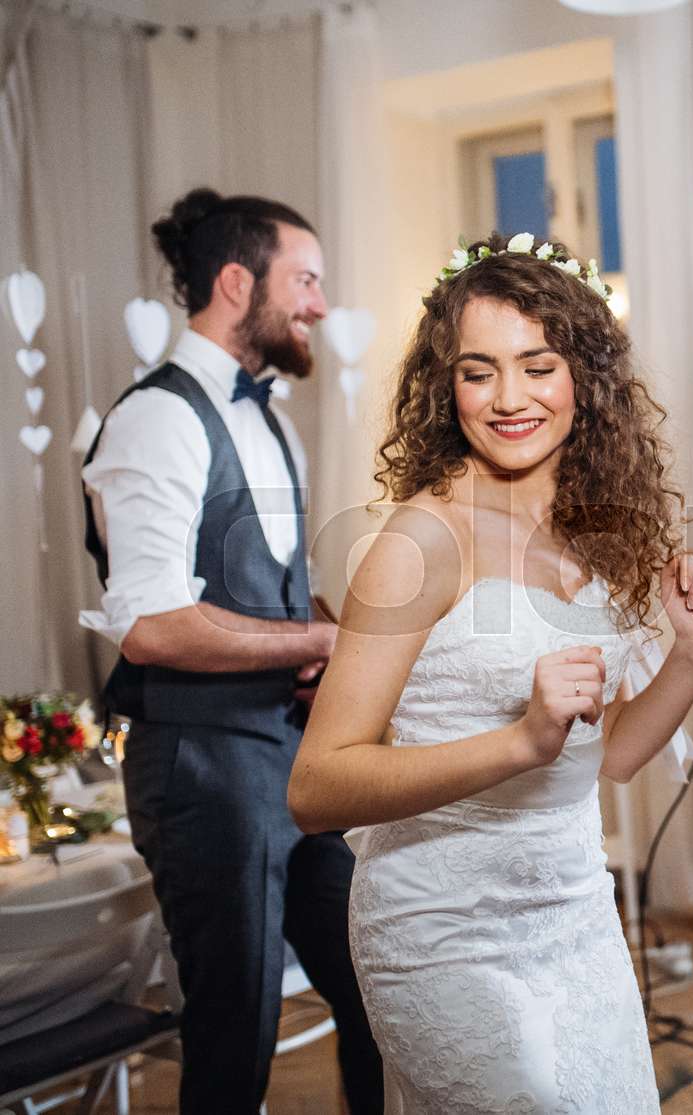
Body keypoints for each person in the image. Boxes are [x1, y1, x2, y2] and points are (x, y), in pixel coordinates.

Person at [286, 233, 693, 1113]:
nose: (508, 398)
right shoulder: (423, 539)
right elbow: (316, 787)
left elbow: (609, 755)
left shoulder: (599, 531)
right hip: (442, 932)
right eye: (478, 371)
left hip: (576, 918)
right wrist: (519, 742)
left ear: (586, 377)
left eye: (537, 366)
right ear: (444, 384)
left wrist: (690, 654)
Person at [79, 188, 383, 1113]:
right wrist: (320, 638)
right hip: (201, 766)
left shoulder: (276, 422)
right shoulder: (156, 419)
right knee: (235, 1032)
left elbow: (266, 588)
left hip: (295, 758)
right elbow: (152, 623)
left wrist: (331, 639)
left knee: (378, 989)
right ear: (237, 282)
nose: (320, 305)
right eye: (306, 281)